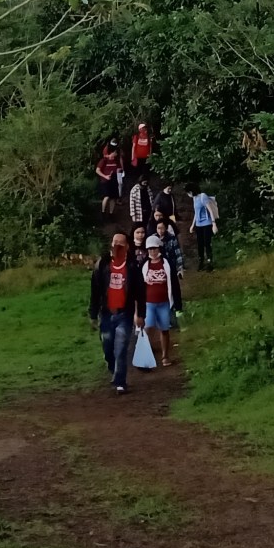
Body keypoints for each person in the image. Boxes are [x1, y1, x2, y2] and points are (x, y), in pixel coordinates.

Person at [88, 231, 145, 394]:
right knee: (107, 347)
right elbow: (95, 291)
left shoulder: (133, 267)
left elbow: (141, 292)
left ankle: (120, 381)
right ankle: (113, 368)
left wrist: (140, 314)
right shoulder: (102, 265)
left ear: (127, 246)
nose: (117, 246)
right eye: (114, 243)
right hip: (106, 314)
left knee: (121, 348)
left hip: (124, 315)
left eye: (120, 243)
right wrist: (92, 314)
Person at [140, 236, 177, 367]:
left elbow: (174, 283)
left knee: (164, 329)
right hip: (149, 303)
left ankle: (165, 356)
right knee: (147, 328)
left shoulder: (167, 263)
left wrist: (177, 303)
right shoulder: (145, 265)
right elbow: (140, 285)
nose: (152, 251)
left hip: (164, 302)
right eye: (150, 249)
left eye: (154, 248)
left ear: (159, 248)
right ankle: (146, 354)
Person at [190, 183, 219, 270]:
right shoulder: (194, 198)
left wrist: (214, 224)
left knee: (207, 243)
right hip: (199, 224)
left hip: (207, 223)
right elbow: (196, 212)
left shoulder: (203, 196)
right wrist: (192, 225)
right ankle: (201, 262)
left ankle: (210, 262)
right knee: (200, 244)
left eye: (189, 192)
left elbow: (210, 211)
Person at [160, 217, 186, 309]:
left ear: (166, 228)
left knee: (175, 287)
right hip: (160, 268)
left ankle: (178, 307)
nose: (160, 231)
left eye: (162, 228)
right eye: (158, 228)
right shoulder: (154, 239)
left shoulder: (172, 238)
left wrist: (180, 267)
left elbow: (177, 253)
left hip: (171, 266)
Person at [95, 138, 122, 214]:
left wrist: (119, 171)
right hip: (105, 180)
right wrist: (105, 176)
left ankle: (111, 213)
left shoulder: (116, 161)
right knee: (106, 196)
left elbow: (119, 168)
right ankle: (103, 212)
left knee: (113, 198)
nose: (115, 154)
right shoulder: (104, 160)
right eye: (114, 153)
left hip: (114, 179)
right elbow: (97, 170)